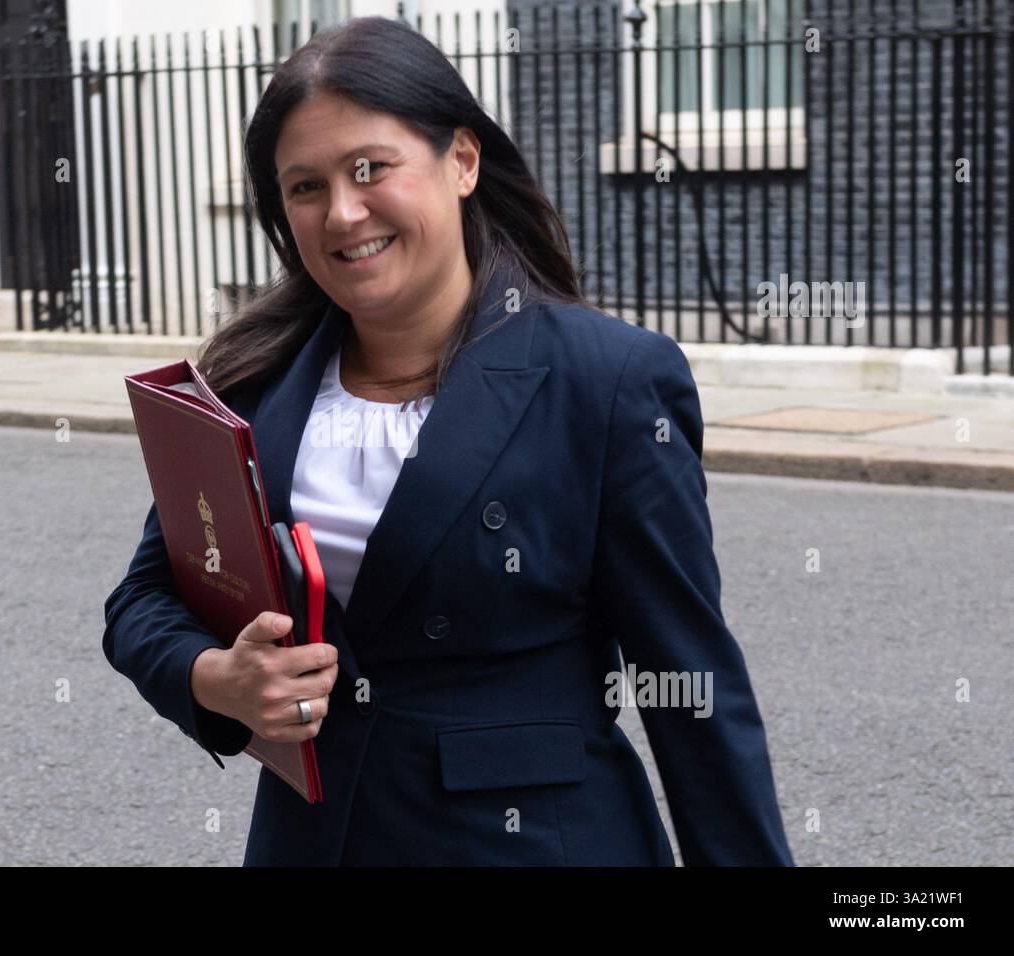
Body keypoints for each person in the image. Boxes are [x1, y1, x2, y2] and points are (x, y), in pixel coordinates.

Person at [102, 15, 794, 866]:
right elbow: (144, 600)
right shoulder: (251, 381)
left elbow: (691, 687)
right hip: (316, 844)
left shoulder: (606, 382)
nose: (343, 212)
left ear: (461, 160)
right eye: (305, 187)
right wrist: (219, 680)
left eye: (371, 168)